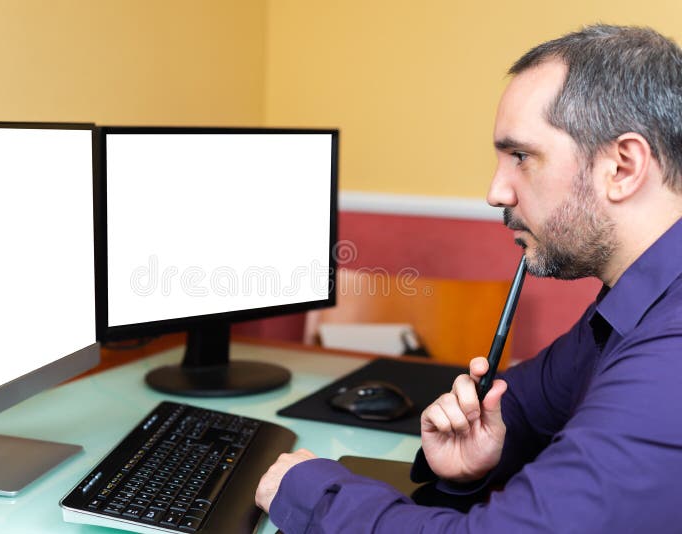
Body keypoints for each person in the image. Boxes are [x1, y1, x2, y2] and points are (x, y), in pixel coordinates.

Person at [254, 24, 682, 533]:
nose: (496, 191)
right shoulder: (635, 299)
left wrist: (311, 491)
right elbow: (527, 400)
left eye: (521, 157)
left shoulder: (670, 348)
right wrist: (484, 451)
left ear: (622, 167)